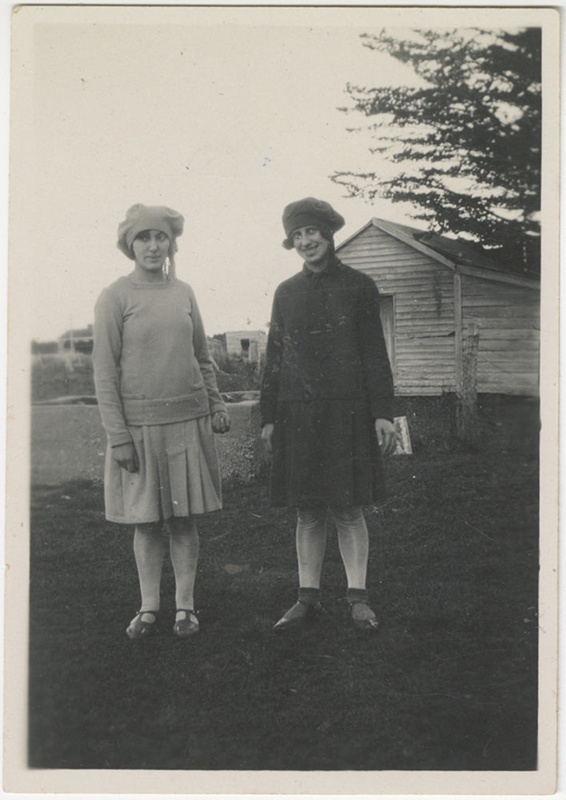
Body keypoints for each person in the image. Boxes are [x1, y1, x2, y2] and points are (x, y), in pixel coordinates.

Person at [93, 204, 230, 640]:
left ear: (172, 243)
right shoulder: (115, 296)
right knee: (147, 522)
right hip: (138, 428)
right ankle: (149, 607)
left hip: (187, 422)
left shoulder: (184, 292)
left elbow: (202, 356)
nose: (153, 246)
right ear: (129, 244)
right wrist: (119, 437)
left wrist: (217, 403)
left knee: (184, 520)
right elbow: (103, 372)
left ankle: (185, 607)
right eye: (144, 238)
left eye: (160, 238)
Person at [260, 197, 396, 632]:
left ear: (329, 233)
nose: (305, 241)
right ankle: (307, 597)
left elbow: (375, 353)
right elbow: (274, 359)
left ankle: (358, 596)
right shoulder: (286, 292)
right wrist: (268, 416)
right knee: (307, 510)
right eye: (297, 235)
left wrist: (383, 413)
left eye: (311, 232)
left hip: (348, 414)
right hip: (297, 413)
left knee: (348, 507)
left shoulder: (359, 286)